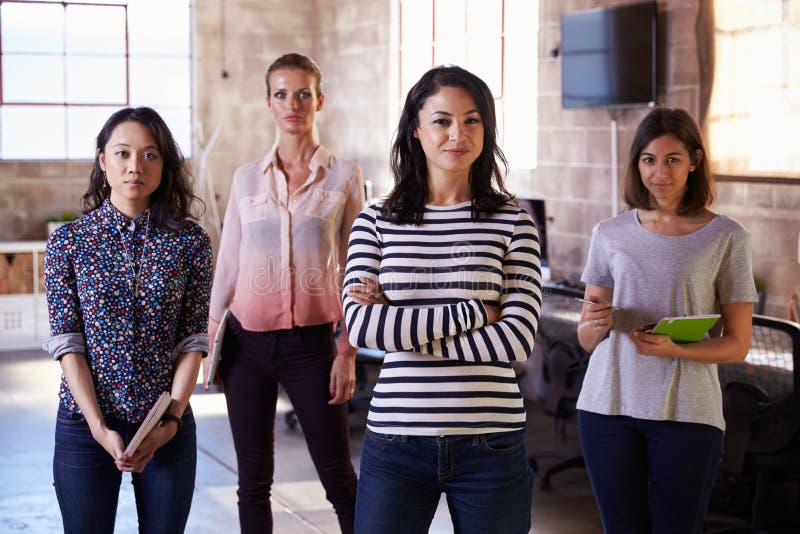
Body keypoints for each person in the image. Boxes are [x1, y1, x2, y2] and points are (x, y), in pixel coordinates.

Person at [343, 65, 542, 534]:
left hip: (491, 443)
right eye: (442, 120)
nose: (458, 134)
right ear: (416, 128)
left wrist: (401, 325)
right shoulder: (375, 220)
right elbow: (362, 329)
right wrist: (475, 312)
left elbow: (515, 343)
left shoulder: (514, 222)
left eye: (472, 120)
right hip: (395, 440)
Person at [576, 107, 758, 533]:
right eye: (649, 160)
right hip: (607, 408)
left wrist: (677, 348)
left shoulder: (727, 237)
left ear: (694, 160)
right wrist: (596, 323)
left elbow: (738, 343)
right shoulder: (609, 233)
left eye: (673, 159)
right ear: (637, 163)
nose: (660, 172)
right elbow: (586, 338)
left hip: (688, 414)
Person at [205, 52, 362, 534]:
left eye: (302, 93)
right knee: (252, 482)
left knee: (337, 476)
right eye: (281, 94)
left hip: (313, 347)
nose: (292, 103)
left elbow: (359, 272)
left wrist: (347, 351)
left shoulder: (344, 176)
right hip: (245, 346)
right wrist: (207, 346)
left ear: (319, 100)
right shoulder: (245, 178)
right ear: (268, 102)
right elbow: (228, 264)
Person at [43, 106, 212, 533]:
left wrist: (170, 420)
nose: (135, 166)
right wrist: (100, 428)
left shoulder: (190, 242)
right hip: (85, 424)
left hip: (165, 426)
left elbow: (193, 341)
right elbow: (68, 343)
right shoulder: (69, 242)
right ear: (103, 161)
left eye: (150, 154)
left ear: (164, 164)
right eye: (122, 153)